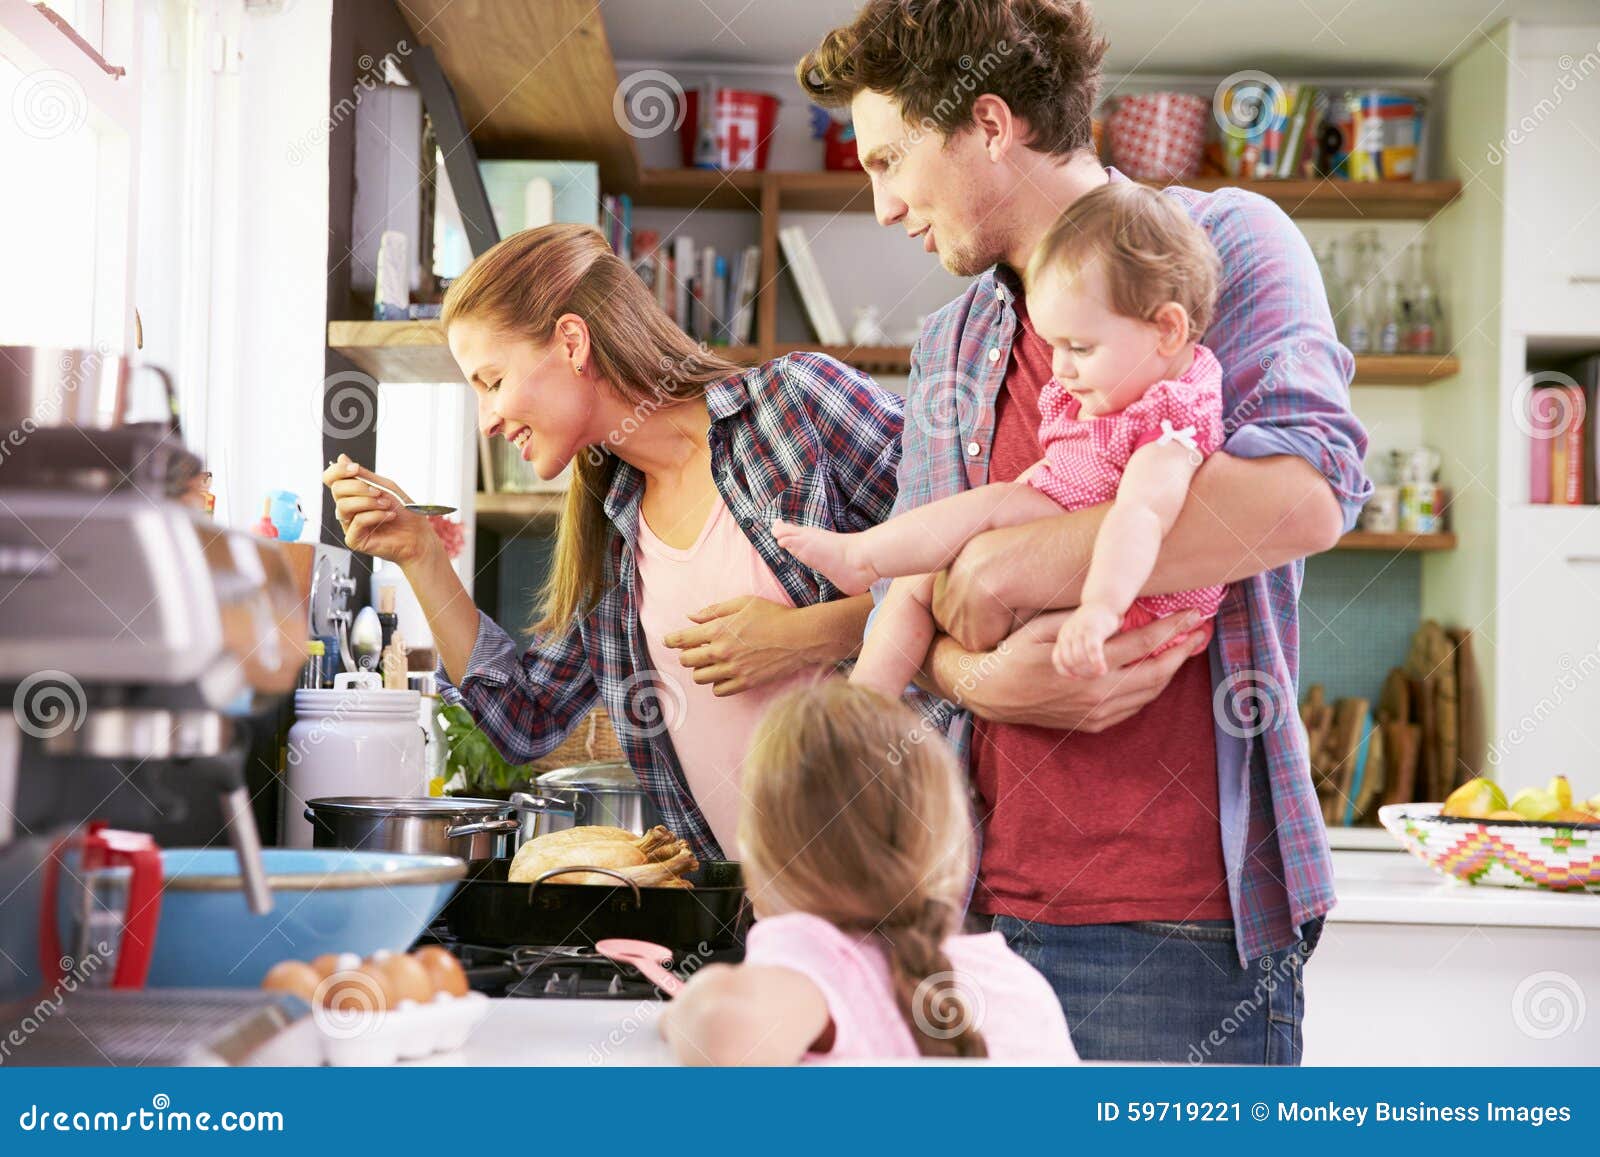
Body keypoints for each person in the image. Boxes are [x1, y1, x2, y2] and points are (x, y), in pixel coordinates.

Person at [799, 0, 1369, 1063]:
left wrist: (1008, 564)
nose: (880, 206)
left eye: (889, 161)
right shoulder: (953, 337)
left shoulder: (1218, 245)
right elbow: (914, 602)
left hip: (1178, 929)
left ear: (987, 123)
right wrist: (981, 677)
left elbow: (1300, 496)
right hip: (969, 919)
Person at [323, 223, 906, 859]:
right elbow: (526, 718)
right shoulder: (612, 527)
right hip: (754, 914)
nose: (487, 420)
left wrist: (802, 637)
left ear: (571, 342)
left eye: (491, 381)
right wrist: (419, 553)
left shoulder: (797, 407)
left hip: (899, 887)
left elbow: (967, 573)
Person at [776, 183, 1227, 690]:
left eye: (1079, 347)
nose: (1063, 369)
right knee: (923, 572)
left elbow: (1141, 516)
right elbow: (1063, 471)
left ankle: (866, 576)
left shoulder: (1174, 417)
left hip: (1131, 609)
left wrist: (1102, 607)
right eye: (1054, 346)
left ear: (1167, 330)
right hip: (1068, 560)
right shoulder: (1114, 386)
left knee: (997, 515)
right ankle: (864, 683)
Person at [660, 680, 1076, 1065]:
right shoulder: (1012, 979)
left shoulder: (814, 954)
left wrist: (677, 1013)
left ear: (761, 855)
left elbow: (722, 1026)